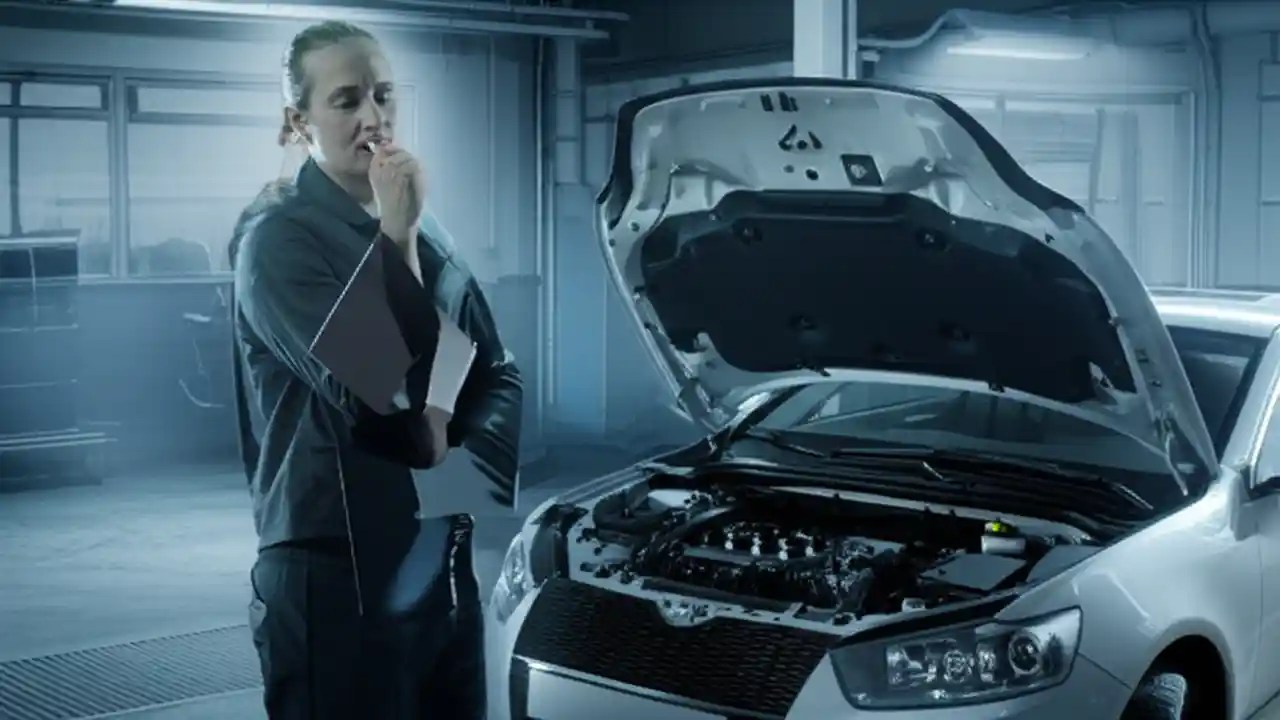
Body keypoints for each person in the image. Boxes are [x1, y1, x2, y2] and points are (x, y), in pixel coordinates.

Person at [231, 20, 522, 719]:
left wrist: (438, 438)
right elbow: (368, 388)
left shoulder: (429, 230)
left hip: (440, 559)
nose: (374, 118)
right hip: (332, 568)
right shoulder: (278, 243)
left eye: (385, 96)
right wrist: (396, 236)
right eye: (347, 100)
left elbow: (497, 370)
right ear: (298, 122)